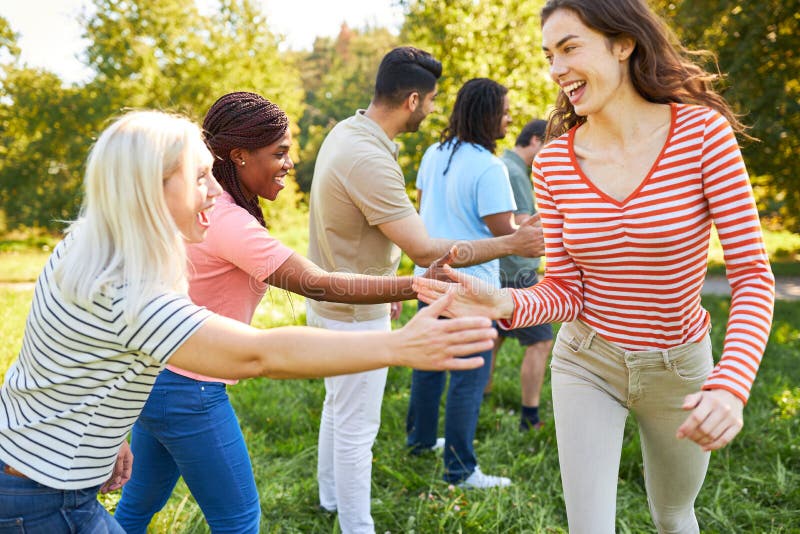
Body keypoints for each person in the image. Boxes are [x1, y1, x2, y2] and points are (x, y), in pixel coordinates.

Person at [0, 109, 498, 532]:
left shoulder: (89, 241)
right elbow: (262, 353)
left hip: (33, 471)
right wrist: (399, 347)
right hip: (44, 500)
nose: (215, 192)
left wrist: (111, 437)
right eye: (199, 176)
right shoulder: (132, 291)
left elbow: (77, 362)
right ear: (148, 188)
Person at [413, 0, 775, 531]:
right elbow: (564, 288)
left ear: (622, 44)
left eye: (568, 48)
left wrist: (731, 383)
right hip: (587, 360)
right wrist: (503, 300)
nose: (555, 69)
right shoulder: (556, 163)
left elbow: (751, 276)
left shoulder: (703, 136)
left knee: (673, 515)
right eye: (548, 55)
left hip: (680, 367)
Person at [112, 92, 442, 533]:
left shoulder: (206, 209)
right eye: (279, 153)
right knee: (239, 520)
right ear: (240, 156)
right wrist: (415, 283)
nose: (289, 163)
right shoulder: (227, 221)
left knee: (138, 505)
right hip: (191, 392)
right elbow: (318, 283)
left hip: (157, 380)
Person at [307, 48, 543, 533]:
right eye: (432, 100)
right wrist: (512, 242)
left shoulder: (348, 133)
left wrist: (389, 278)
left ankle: (330, 499)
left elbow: (371, 227)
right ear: (413, 99)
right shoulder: (367, 156)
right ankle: (357, 526)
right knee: (358, 428)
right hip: (353, 312)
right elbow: (423, 245)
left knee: (339, 409)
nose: (436, 109)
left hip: (343, 299)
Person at [406, 78, 521, 489]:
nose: (509, 117)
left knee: (429, 365)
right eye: (505, 110)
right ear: (488, 113)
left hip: (430, 278)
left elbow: (422, 210)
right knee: (469, 375)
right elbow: (504, 232)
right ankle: (460, 470)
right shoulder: (490, 167)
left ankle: (418, 442)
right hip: (471, 290)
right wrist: (532, 223)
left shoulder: (434, 153)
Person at [485, 118, 554, 432]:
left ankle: (482, 403)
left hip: (498, 269)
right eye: (553, 145)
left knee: (493, 337)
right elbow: (526, 229)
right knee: (540, 343)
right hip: (518, 273)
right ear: (537, 141)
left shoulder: (502, 166)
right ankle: (529, 418)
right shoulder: (516, 173)